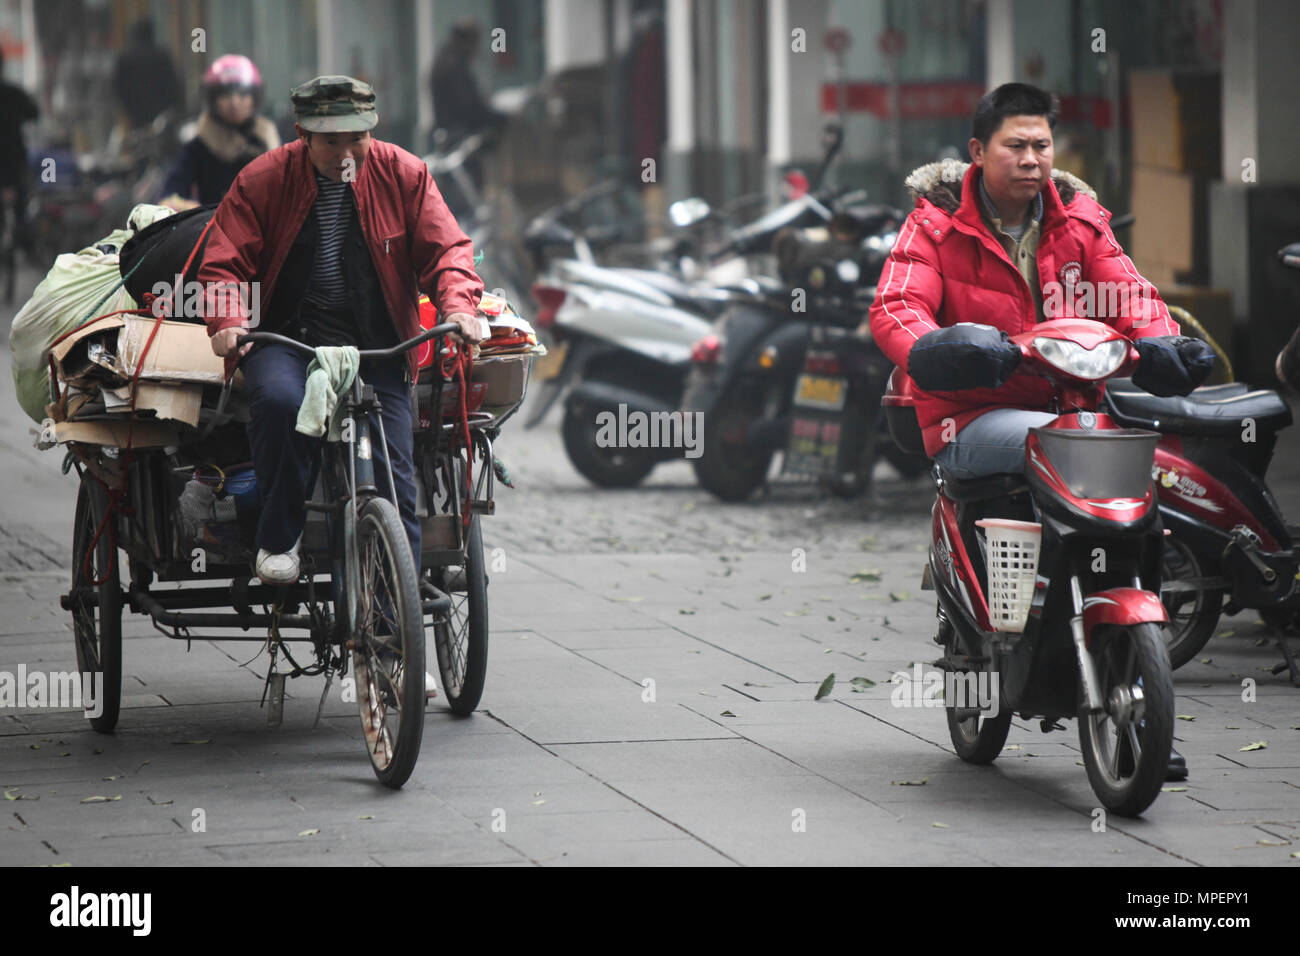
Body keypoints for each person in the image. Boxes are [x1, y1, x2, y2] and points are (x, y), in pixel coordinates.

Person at [867, 82, 1212, 781]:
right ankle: (1013, 612)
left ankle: (1139, 699)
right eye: (1015, 145)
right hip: (972, 415)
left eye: (1041, 145)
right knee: (1056, 439)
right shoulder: (934, 224)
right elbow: (896, 304)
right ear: (978, 152)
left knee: (1135, 466)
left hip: (1070, 406)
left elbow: (1131, 295)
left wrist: (1165, 342)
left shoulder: (1080, 220)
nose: (1031, 159)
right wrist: (935, 347)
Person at [198, 76, 485, 595]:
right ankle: (278, 539)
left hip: (378, 344)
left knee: (397, 479)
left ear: (372, 132)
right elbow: (222, 264)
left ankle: (399, 618)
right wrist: (229, 320)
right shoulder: (264, 178)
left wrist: (459, 309)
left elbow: (447, 252)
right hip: (286, 340)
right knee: (283, 406)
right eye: (330, 140)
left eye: (357, 138)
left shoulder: (405, 173)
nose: (345, 151)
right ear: (302, 134)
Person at [160, 54, 280, 208]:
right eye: (225, 95)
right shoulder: (200, 145)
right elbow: (172, 195)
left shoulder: (267, 140)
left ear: (254, 97)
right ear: (212, 99)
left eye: (243, 94)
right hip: (213, 226)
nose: (234, 103)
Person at [111, 18, 182, 132]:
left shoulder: (125, 58)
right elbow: (173, 84)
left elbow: (118, 87)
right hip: (161, 112)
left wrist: (126, 108)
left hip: (135, 113)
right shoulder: (161, 56)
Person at [0, 50, 39, 252]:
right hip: (14, 157)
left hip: (12, 159)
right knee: (21, 200)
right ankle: (26, 244)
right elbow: (34, 113)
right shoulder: (14, 94)